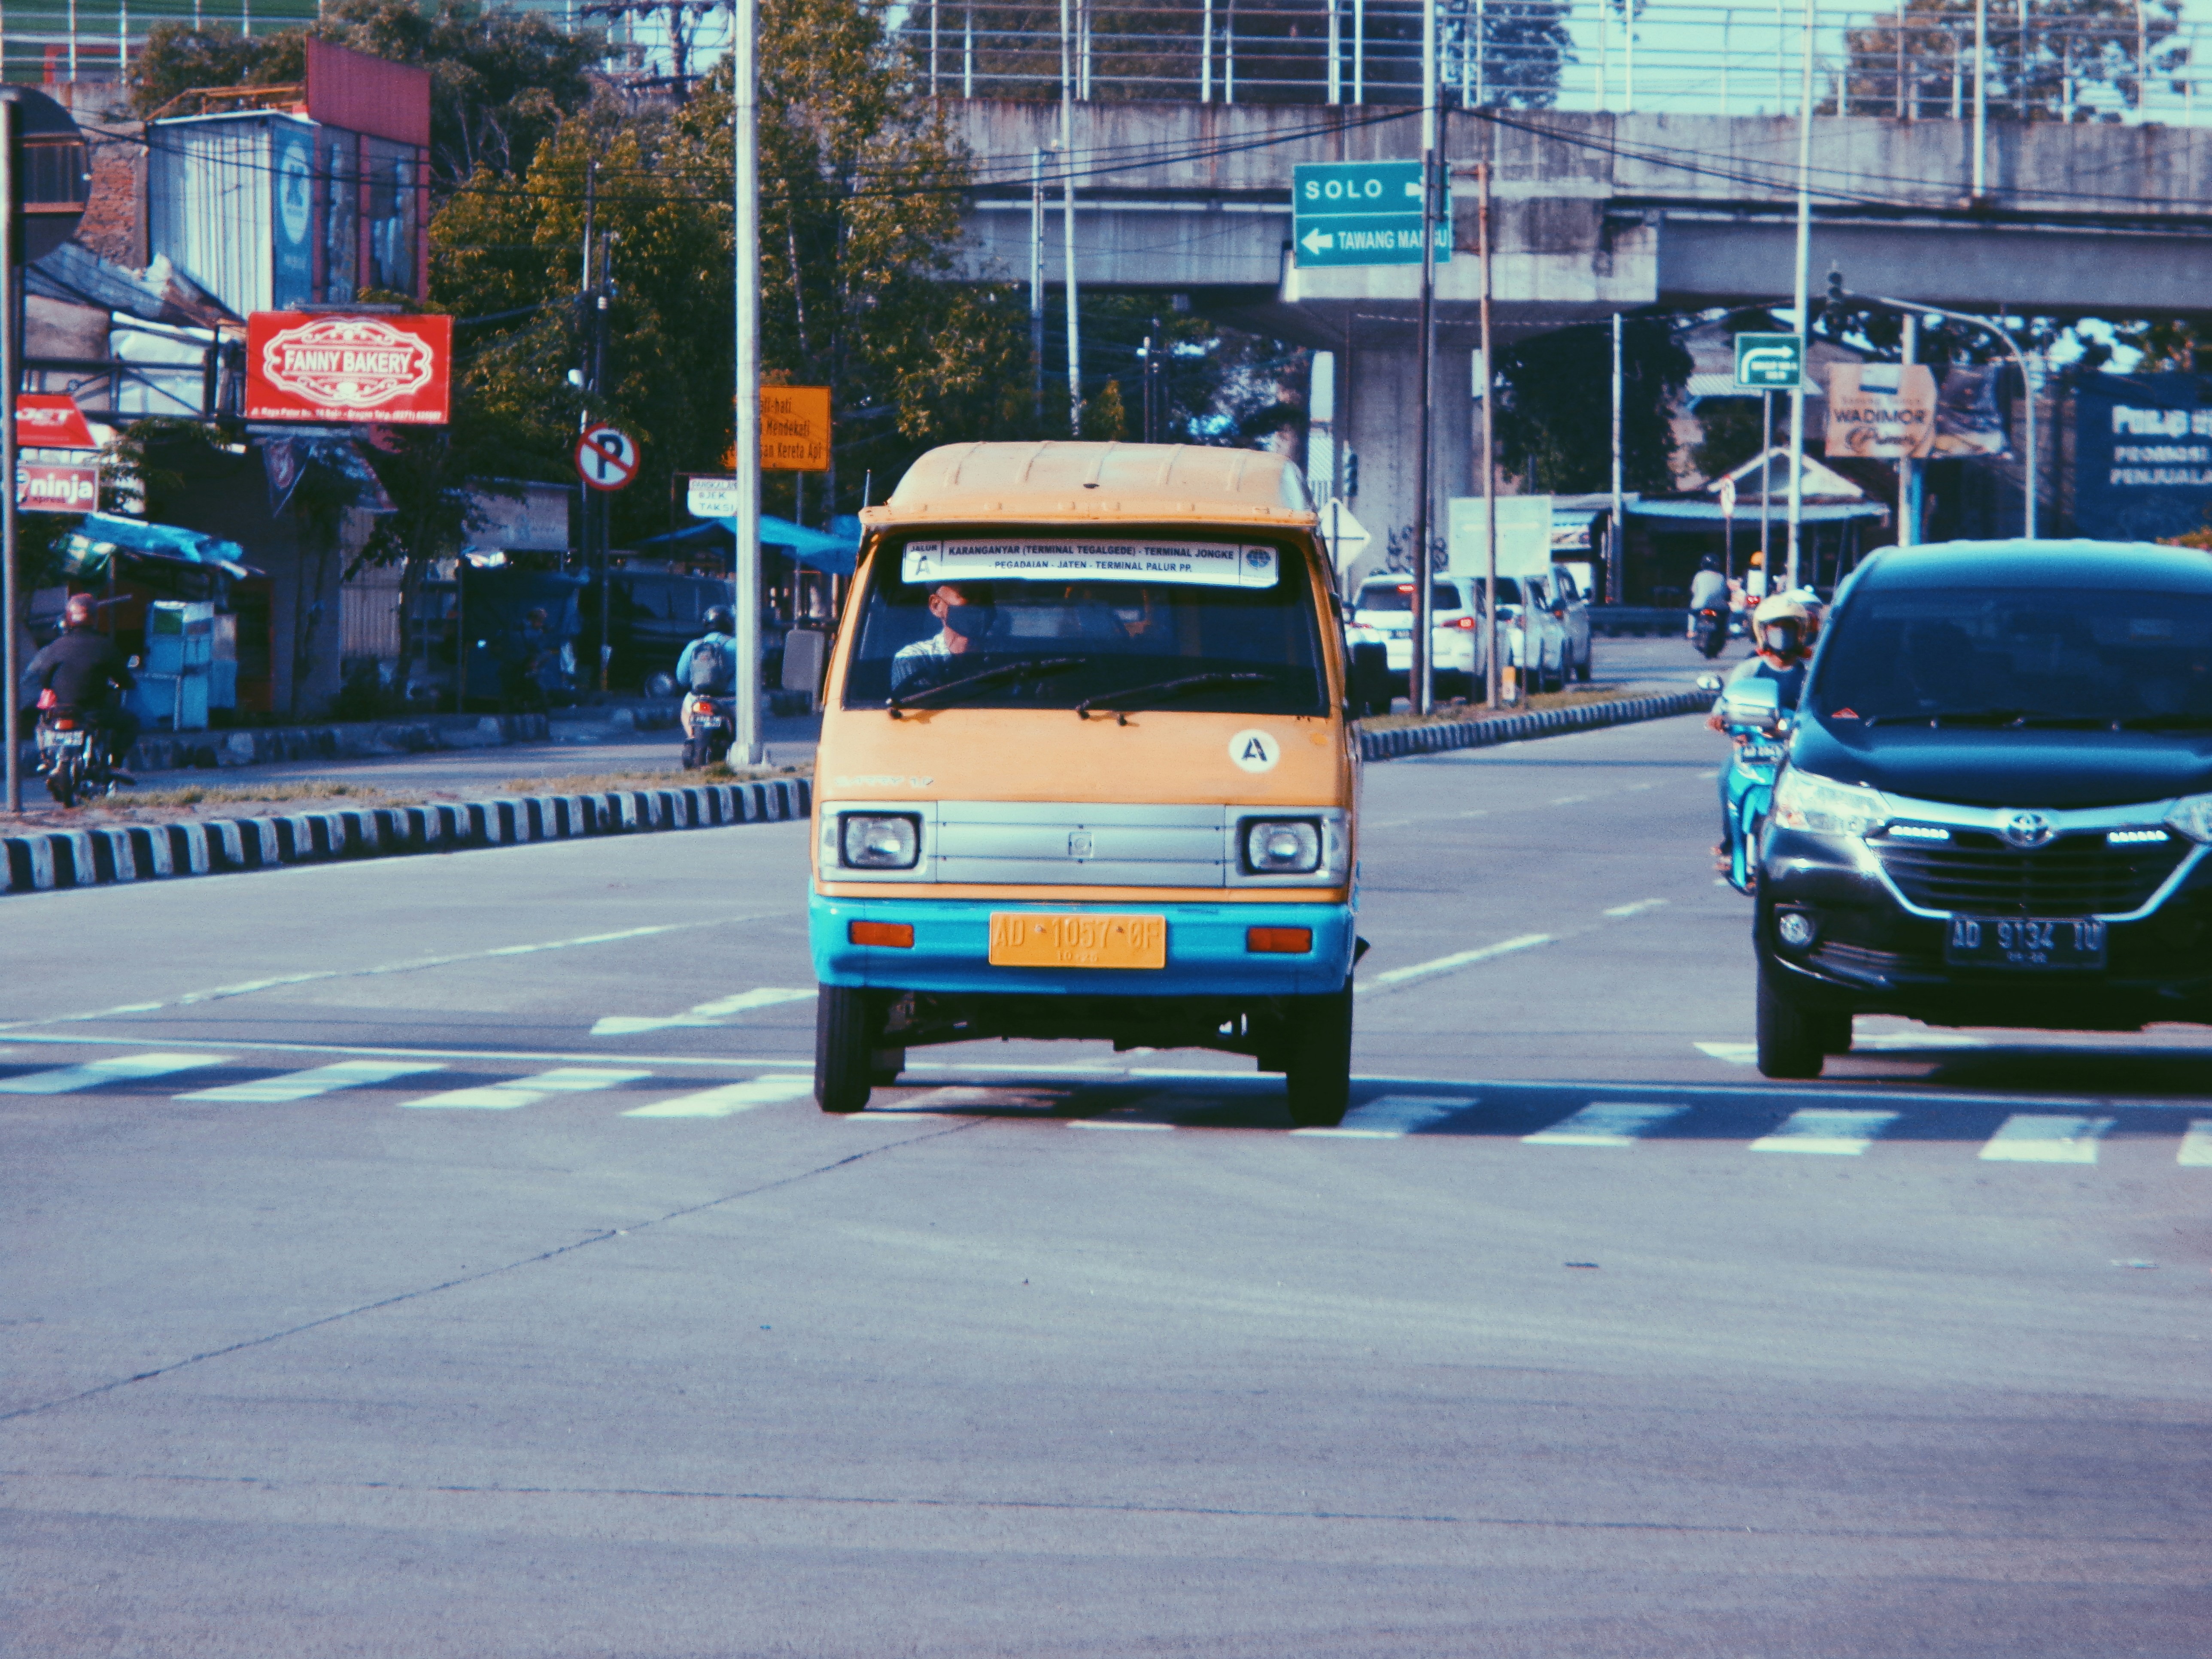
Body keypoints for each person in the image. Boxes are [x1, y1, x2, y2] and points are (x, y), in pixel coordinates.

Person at [1710, 591, 1820, 871]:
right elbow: (1726, 703)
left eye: (1788, 628)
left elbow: (1824, 708)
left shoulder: (1810, 674)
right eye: (1775, 628)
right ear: (1763, 632)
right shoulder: (1750, 669)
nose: (1781, 635)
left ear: (1801, 632)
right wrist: (1721, 718)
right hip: (1753, 748)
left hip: (1794, 751)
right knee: (1726, 777)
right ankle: (1730, 844)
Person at [21, 593, 138, 767]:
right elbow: (124, 678)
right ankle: (116, 764)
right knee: (131, 722)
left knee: (42, 724)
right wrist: (128, 683)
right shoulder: (104, 646)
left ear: (69, 618)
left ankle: (46, 759)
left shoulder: (55, 646)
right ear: (94, 618)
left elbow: (44, 677)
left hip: (61, 711)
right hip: (93, 712)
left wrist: (51, 688)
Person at [891, 582, 992, 693]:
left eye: (986, 597)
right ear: (936, 605)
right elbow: (922, 707)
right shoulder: (915, 659)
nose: (979, 604)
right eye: (968, 595)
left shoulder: (1006, 654)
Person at [675, 605, 739, 746]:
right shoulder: (739, 645)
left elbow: (681, 678)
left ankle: (692, 737)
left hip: (699, 698)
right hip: (731, 701)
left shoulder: (694, 646)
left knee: (686, 707)